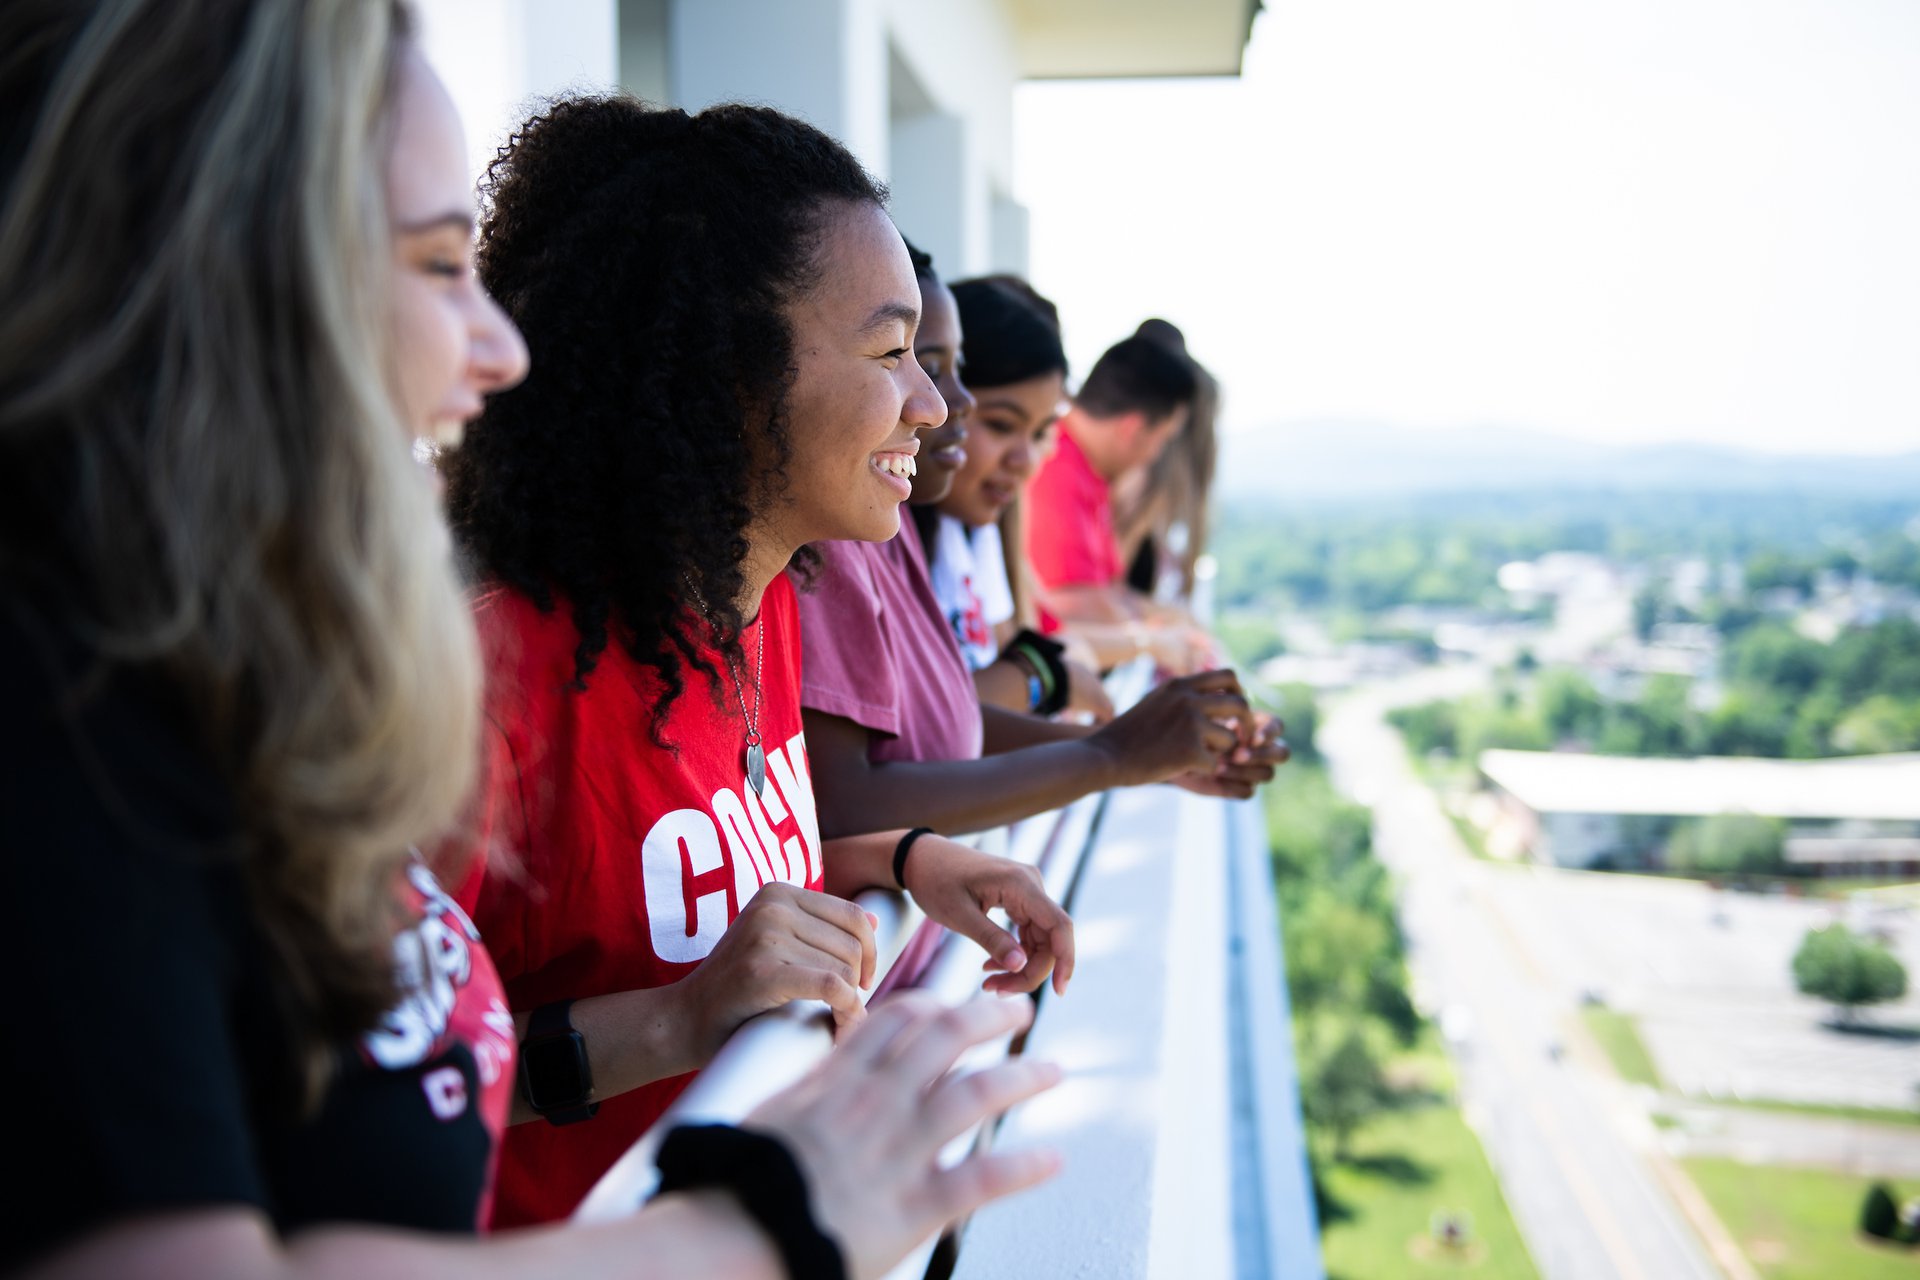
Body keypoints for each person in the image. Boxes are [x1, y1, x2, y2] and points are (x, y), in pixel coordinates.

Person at [2, 4, 1058, 1276]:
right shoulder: (151, 730)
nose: (501, 348)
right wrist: (767, 1216)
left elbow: (669, 879)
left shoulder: (754, 613)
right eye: (441, 268)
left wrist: (904, 854)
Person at [443, 95, 1075, 1228]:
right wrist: (675, 1022)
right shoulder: (484, 693)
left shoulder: (765, 605)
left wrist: (902, 855)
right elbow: (368, 1089)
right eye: (891, 352)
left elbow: (698, 881)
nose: (934, 407)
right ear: (726, 377)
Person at [797, 254, 1282, 838]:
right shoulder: (843, 543)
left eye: (954, 374)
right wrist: (1109, 747)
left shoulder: (903, 532)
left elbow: (953, 723)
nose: (948, 404)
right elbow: (850, 796)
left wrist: (1149, 756)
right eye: (912, 365)